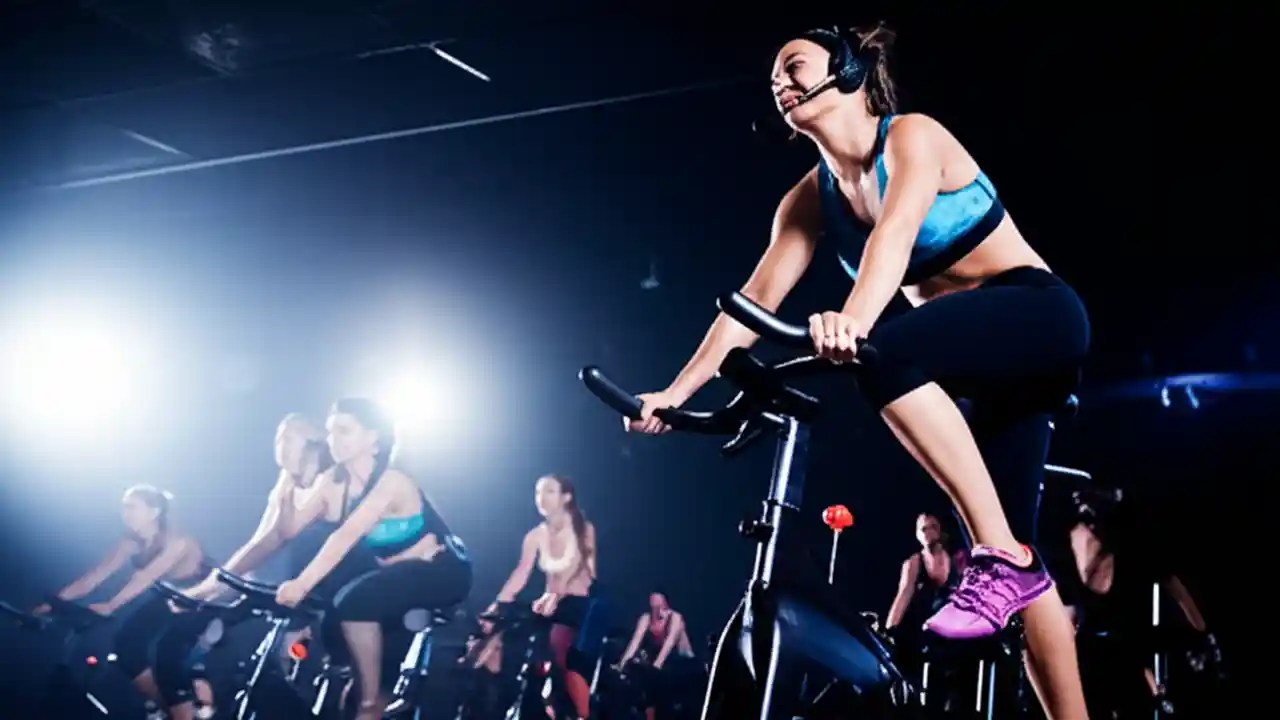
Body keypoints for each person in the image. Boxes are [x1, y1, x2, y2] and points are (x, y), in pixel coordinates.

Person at [625, 23, 1091, 719]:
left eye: (794, 66)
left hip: (1037, 315)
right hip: (982, 372)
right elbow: (749, 309)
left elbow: (895, 240)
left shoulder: (912, 138)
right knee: (1022, 561)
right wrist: (674, 392)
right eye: (773, 77)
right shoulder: (807, 202)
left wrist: (855, 320)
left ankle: (999, 558)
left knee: (887, 355)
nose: (779, 82)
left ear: (843, 70)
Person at [155, 413, 369, 720]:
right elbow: (259, 543)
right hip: (273, 590)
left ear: (312, 444)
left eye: (289, 438)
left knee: (250, 666)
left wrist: (210, 590)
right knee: (210, 655)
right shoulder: (286, 482)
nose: (279, 445)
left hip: (315, 595)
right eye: (277, 437)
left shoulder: (330, 480)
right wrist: (211, 588)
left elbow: (279, 537)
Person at [274, 397, 473, 720]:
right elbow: (289, 529)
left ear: (372, 439)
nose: (333, 440)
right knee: (338, 624)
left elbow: (344, 536)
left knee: (353, 602)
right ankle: (367, 695)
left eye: (344, 431)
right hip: (397, 578)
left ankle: (372, 705)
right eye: (330, 432)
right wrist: (287, 478)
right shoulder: (334, 482)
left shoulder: (392, 481)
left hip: (441, 569)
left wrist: (301, 584)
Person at [38, 484, 209, 715]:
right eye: (123, 507)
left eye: (131, 507)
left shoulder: (178, 541)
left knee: (168, 655)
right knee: (127, 647)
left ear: (154, 511)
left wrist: (111, 605)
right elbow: (95, 576)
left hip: (203, 596)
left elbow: (145, 578)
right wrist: (53, 603)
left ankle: (187, 708)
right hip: (170, 594)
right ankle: (169, 709)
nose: (125, 513)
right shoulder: (131, 542)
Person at [1066, 481, 1218, 717]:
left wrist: (1202, 631)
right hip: (1086, 664)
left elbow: (1172, 585)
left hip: (1123, 659)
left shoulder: (1131, 553)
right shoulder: (1065, 550)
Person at [491, 474, 603, 720]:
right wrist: (497, 605)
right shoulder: (535, 535)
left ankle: (580, 712)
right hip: (548, 606)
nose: (541, 498)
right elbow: (521, 573)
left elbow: (583, 570)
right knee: (509, 639)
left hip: (577, 606)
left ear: (566, 497)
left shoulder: (584, 528)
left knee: (559, 650)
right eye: (538, 492)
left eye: (549, 491)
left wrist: (557, 594)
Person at [884, 512, 969, 714]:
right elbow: (903, 595)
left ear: (941, 530)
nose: (929, 532)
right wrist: (889, 629)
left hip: (949, 633)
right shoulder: (914, 563)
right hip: (919, 631)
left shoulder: (957, 560)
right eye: (923, 528)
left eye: (933, 527)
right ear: (917, 535)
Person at [615, 590, 701, 720]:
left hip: (682, 659)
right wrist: (622, 665)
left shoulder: (675, 617)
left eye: (661, 606)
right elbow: (635, 642)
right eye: (654, 607)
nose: (657, 611)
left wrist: (655, 667)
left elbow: (669, 643)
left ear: (666, 604)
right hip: (661, 662)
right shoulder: (646, 618)